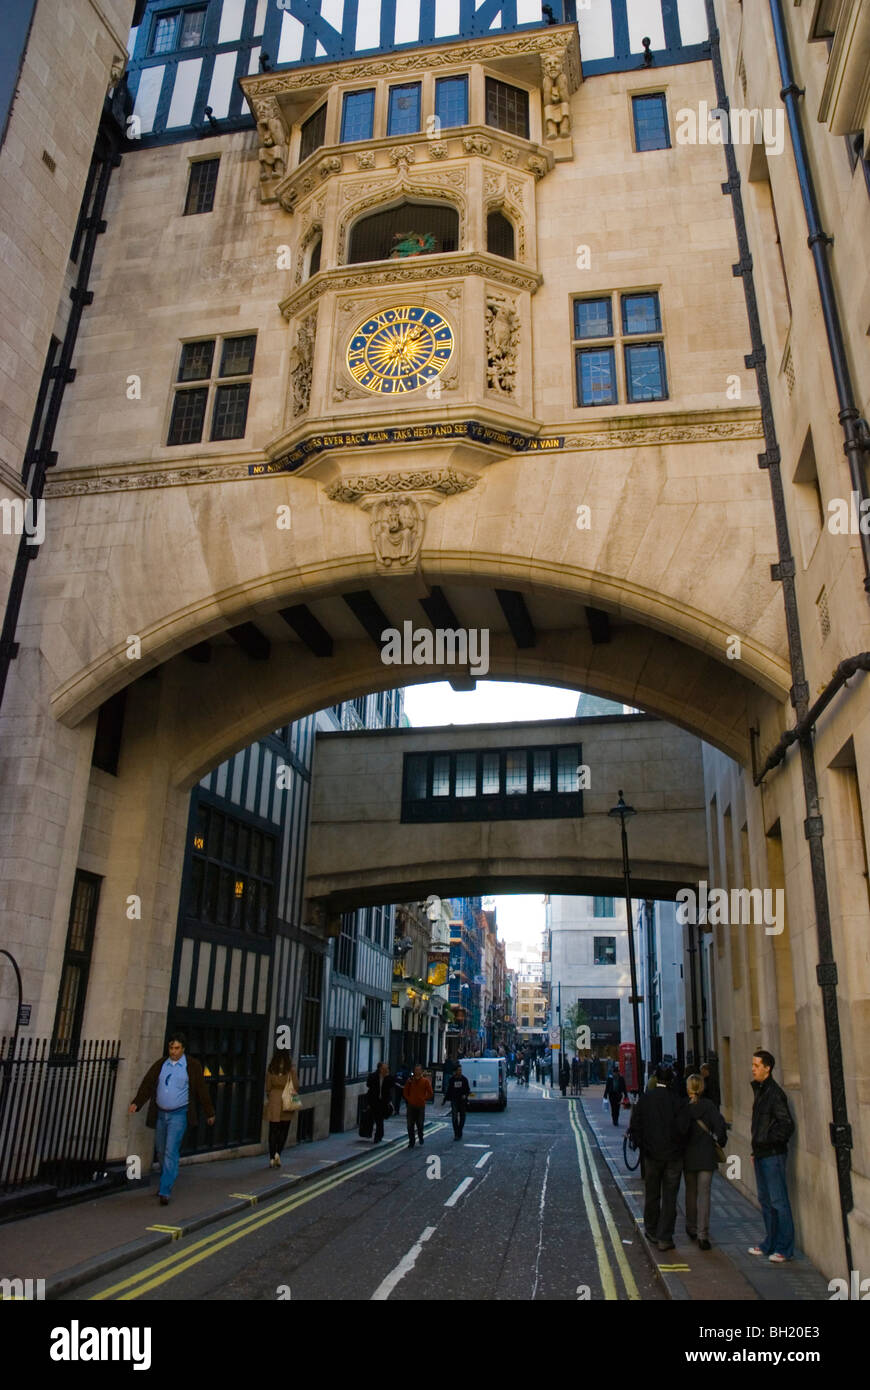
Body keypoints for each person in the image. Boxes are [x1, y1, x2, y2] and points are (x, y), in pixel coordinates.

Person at [129, 1032, 215, 1205]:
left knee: (170, 1151)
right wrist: (137, 1103)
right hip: (161, 1114)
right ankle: (166, 1179)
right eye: (171, 1047)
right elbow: (148, 1083)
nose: (173, 1051)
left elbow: (201, 1090)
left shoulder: (192, 1066)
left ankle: (165, 1190)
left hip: (179, 1114)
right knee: (160, 1151)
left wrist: (209, 1112)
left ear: (183, 1049)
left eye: (176, 1048)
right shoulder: (161, 1064)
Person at [628, 1065, 690, 1251]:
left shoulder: (646, 1100)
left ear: (656, 1079)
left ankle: (651, 1230)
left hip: (652, 1156)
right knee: (670, 1197)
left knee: (653, 1193)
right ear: (671, 1080)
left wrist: (644, 1146)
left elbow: (635, 1125)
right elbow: (684, 1129)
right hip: (673, 1157)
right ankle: (665, 1238)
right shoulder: (678, 1101)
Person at [748, 1049, 795, 1262]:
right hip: (761, 1154)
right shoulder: (760, 1091)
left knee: (779, 1202)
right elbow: (758, 1126)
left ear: (767, 1068)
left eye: (757, 1065)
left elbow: (786, 1125)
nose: (753, 1069)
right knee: (766, 1201)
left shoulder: (775, 1094)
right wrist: (755, 1149)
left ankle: (784, 1248)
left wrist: (766, 1141)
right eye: (753, 1065)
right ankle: (770, 1243)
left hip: (773, 1155)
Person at [683, 1073, 727, 1249]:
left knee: (690, 1193)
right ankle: (703, 1235)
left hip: (688, 1157)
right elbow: (720, 1128)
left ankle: (691, 1227)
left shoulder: (684, 1107)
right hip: (707, 1156)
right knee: (705, 1195)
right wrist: (720, 1142)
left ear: (688, 1088)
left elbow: (679, 1131)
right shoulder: (709, 1106)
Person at [264, 1046, 301, 1166]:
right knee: (283, 1130)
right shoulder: (290, 1069)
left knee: (273, 1130)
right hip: (287, 1099)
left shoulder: (271, 1068)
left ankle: (271, 1157)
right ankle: (278, 1155)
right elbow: (296, 1085)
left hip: (274, 1099)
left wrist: (272, 1095)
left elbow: (268, 1088)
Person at [403, 1063, 433, 1148]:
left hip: (420, 1106)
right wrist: (409, 1099)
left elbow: (430, 1093)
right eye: (416, 1070)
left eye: (419, 1070)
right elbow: (405, 1091)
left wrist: (423, 1098)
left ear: (421, 1071)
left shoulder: (425, 1081)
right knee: (410, 1125)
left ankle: (420, 1136)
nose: (417, 1071)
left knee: (420, 1124)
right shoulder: (410, 1081)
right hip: (411, 1106)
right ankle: (411, 1141)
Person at [366, 1061, 394, 1144]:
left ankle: (378, 1135)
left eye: (387, 1068)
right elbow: (368, 1085)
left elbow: (392, 1085)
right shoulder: (373, 1076)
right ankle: (378, 1135)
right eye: (384, 1068)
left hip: (384, 1102)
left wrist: (387, 1076)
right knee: (378, 1120)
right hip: (374, 1101)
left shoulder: (388, 1077)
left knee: (380, 1120)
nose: (386, 1070)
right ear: (380, 1069)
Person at [442, 1062, 471, 1140]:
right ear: (455, 1071)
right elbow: (449, 1090)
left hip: (462, 1101)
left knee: (462, 1117)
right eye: (458, 1070)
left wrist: (465, 1095)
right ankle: (456, 1133)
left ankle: (460, 1130)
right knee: (454, 1117)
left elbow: (468, 1090)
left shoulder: (464, 1079)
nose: (460, 1071)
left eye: (461, 1070)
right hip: (454, 1100)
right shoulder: (452, 1080)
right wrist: (444, 1100)